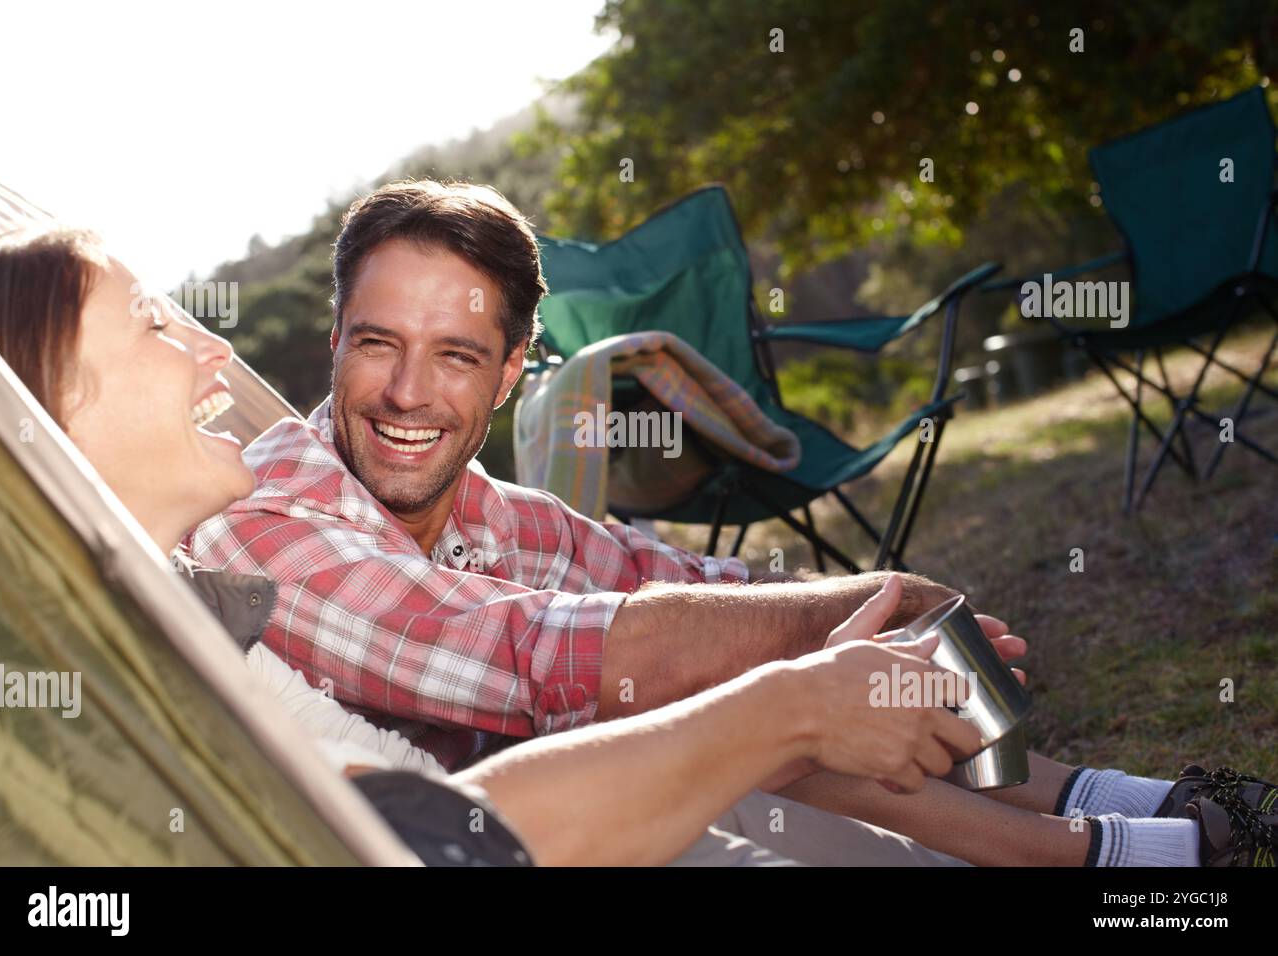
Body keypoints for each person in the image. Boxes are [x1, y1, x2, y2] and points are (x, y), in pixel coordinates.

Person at [189, 179, 1276, 867]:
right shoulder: (268, 517)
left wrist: (862, 619)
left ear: (514, 371)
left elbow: (638, 563)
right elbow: (544, 657)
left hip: (582, 801)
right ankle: (1101, 848)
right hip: (490, 836)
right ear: (331, 340)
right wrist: (839, 616)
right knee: (700, 686)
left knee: (755, 660)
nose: (408, 393)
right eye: (377, 343)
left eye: (458, 354)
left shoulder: (473, 503)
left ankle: (1117, 820)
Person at [0, 225, 1007, 867]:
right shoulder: (127, 668)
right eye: (157, 325)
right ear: (47, 408)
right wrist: (795, 693)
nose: (216, 344)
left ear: (512, 374)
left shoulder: (187, 617)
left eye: (458, 354)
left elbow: (655, 582)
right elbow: (428, 828)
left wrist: (819, 651)